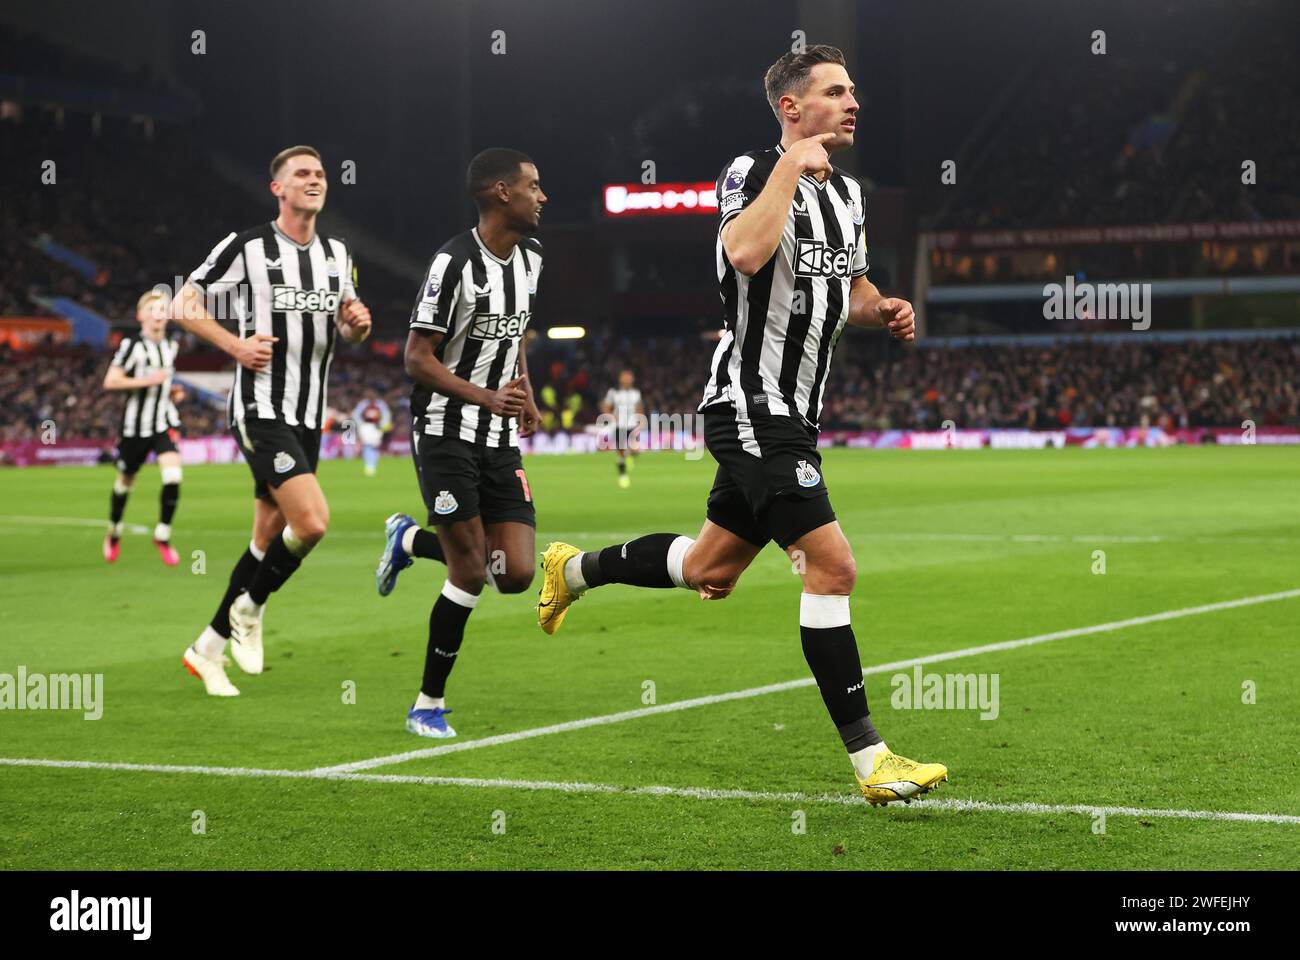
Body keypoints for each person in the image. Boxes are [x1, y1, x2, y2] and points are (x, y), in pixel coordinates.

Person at [535, 46, 948, 805]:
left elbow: (850, 287)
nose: (853, 101)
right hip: (753, 406)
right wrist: (795, 164)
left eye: (854, 89)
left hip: (798, 412)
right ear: (792, 108)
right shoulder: (752, 172)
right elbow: (745, 251)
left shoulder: (851, 197)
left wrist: (883, 307)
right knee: (834, 567)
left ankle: (574, 569)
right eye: (834, 91)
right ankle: (872, 762)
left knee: (708, 569)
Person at [172, 144, 371, 697]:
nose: (314, 180)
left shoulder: (337, 252)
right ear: (277, 188)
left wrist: (357, 322)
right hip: (261, 408)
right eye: (301, 174)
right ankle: (251, 607)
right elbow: (184, 304)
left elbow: (350, 327)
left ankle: (206, 650)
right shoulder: (248, 246)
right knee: (310, 524)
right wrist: (235, 345)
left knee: (267, 535)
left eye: (321, 174)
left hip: (309, 414)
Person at [375, 148, 544, 738]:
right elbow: (416, 358)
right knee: (470, 571)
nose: (542, 196)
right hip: (445, 429)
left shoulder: (533, 259)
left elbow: (516, 329)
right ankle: (427, 703)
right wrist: (483, 396)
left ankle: (410, 540)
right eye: (533, 186)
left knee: (516, 573)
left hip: (498, 432)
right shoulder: (451, 264)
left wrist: (527, 392)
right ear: (502, 192)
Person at [101, 288, 184, 566]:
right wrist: (147, 381)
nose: (157, 315)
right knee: (125, 482)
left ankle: (163, 534)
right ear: (140, 316)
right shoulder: (131, 346)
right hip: (134, 429)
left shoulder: (171, 346)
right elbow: (111, 381)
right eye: (152, 310)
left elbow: (164, 382)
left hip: (162, 423)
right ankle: (114, 531)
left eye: (162, 310)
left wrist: (172, 393)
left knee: (173, 476)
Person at [601, 368, 643, 488]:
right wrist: (612, 417)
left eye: (630, 377)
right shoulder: (613, 392)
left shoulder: (636, 393)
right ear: (621, 379)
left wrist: (640, 419)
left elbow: (639, 408)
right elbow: (606, 407)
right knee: (621, 452)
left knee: (636, 450)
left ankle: (629, 456)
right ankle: (623, 475)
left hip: (632, 424)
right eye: (626, 377)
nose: (629, 379)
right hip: (619, 426)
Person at [351, 388, 392, 477]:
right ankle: (370, 467)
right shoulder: (363, 404)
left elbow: (386, 415)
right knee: (368, 446)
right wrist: (361, 425)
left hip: (377, 427)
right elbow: (355, 414)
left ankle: (371, 466)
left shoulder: (380, 404)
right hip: (366, 427)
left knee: (373, 447)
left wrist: (383, 425)